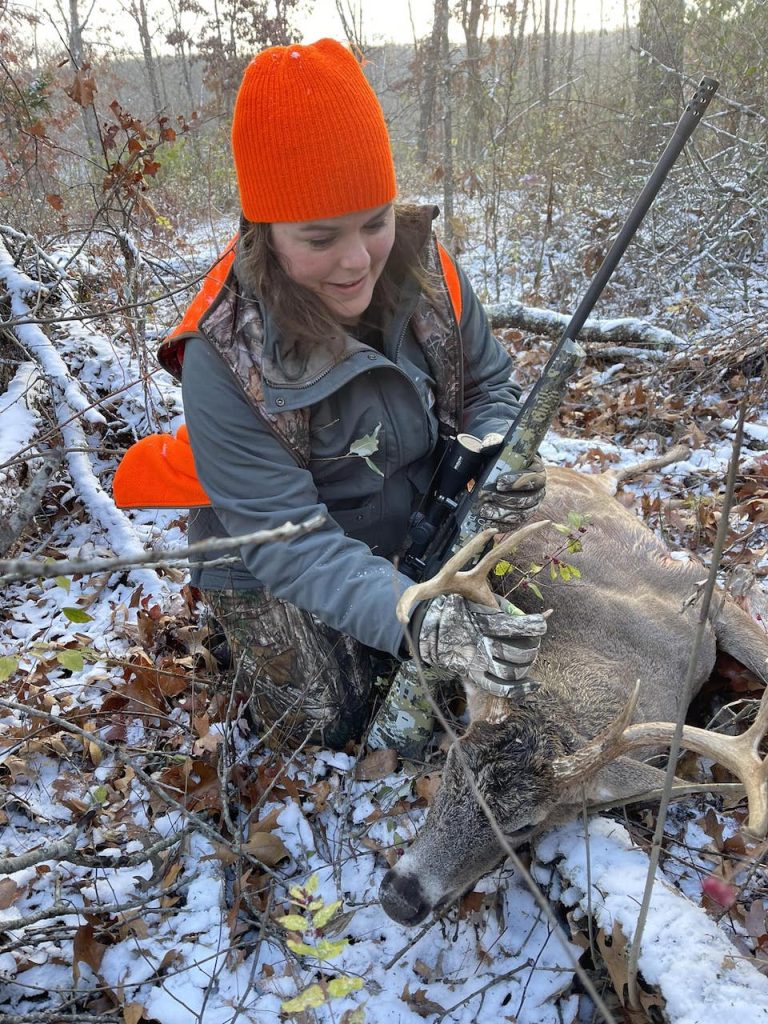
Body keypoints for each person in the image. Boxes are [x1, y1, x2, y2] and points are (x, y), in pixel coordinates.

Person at [115, 38, 547, 750]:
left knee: (528, 628)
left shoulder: (429, 269)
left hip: (418, 513)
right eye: (320, 238)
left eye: (375, 222)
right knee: (333, 722)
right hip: (274, 556)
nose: (356, 261)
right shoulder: (221, 353)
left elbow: (491, 384)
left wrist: (495, 454)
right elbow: (290, 541)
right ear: (266, 231)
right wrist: (416, 615)